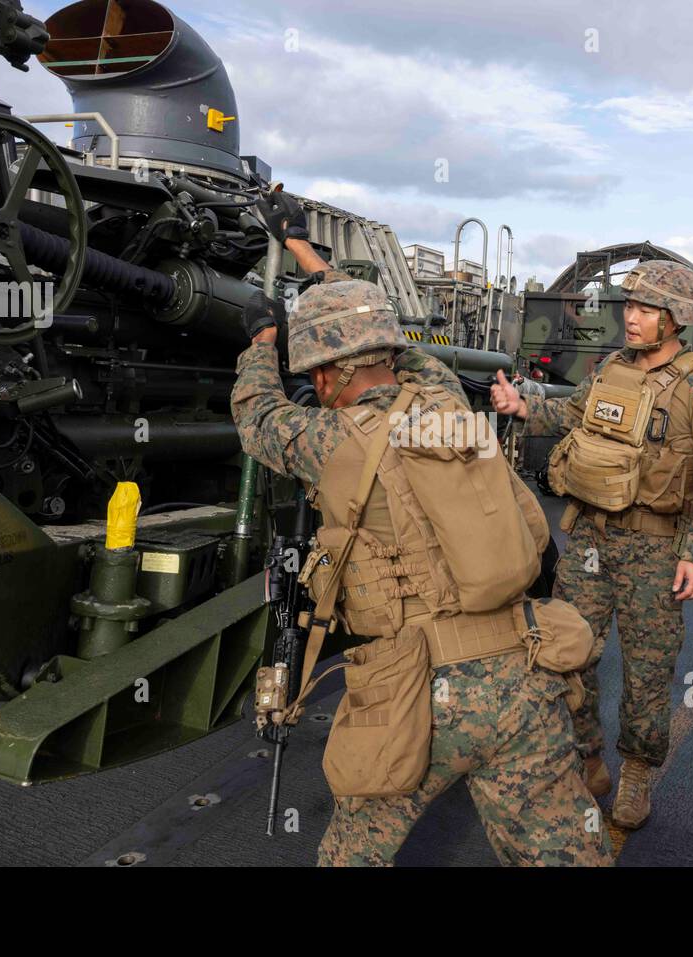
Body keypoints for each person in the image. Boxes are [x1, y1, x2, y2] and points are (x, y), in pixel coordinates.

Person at [231, 189, 611, 866]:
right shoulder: (440, 396)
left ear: (322, 378)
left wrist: (262, 343)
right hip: (519, 674)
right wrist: (305, 253)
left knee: (352, 856)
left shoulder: (326, 439)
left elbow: (257, 418)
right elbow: (389, 344)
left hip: (412, 692)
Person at [490, 259, 693, 829]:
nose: (631, 318)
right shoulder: (610, 368)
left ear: (675, 319)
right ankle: (587, 758)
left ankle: (635, 775)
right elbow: (574, 413)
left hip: (656, 549)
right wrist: (523, 406)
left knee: (647, 672)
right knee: (567, 654)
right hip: (590, 539)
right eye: (629, 306)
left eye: (646, 309)